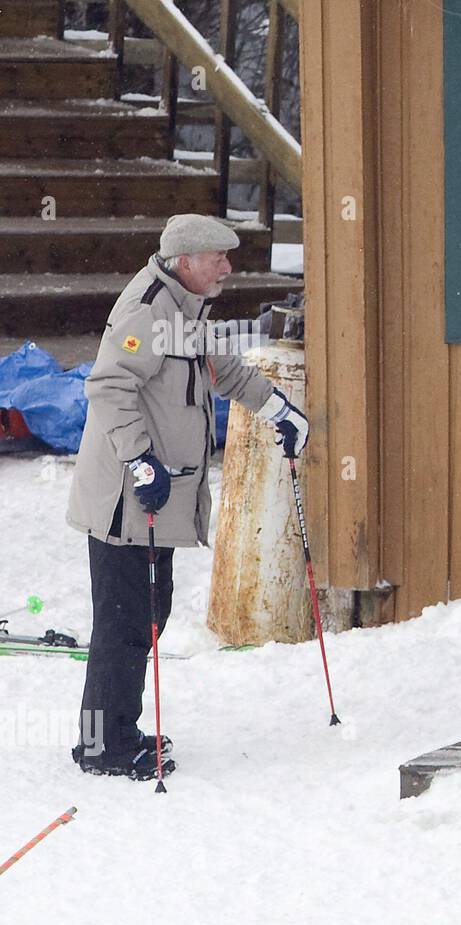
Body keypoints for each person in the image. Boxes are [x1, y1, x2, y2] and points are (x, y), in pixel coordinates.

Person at [66, 214, 310, 780]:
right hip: (126, 502)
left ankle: (117, 731)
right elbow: (107, 385)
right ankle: (103, 746)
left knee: (147, 616)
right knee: (125, 623)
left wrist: (279, 410)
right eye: (217, 258)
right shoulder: (150, 310)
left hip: (157, 496)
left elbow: (221, 369)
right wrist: (138, 459)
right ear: (185, 261)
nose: (228, 267)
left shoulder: (185, 310)